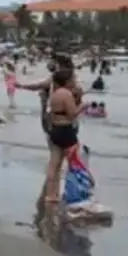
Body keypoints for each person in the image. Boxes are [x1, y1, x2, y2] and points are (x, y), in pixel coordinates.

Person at [42, 68, 84, 204]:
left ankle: (51, 195)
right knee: (74, 164)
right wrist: (83, 106)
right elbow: (72, 115)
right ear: (67, 81)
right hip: (66, 131)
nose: (75, 81)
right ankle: (74, 193)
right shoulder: (66, 94)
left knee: (54, 165)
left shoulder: (54, 94)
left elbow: (50, 113)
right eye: (73, 79)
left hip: (55, 130)